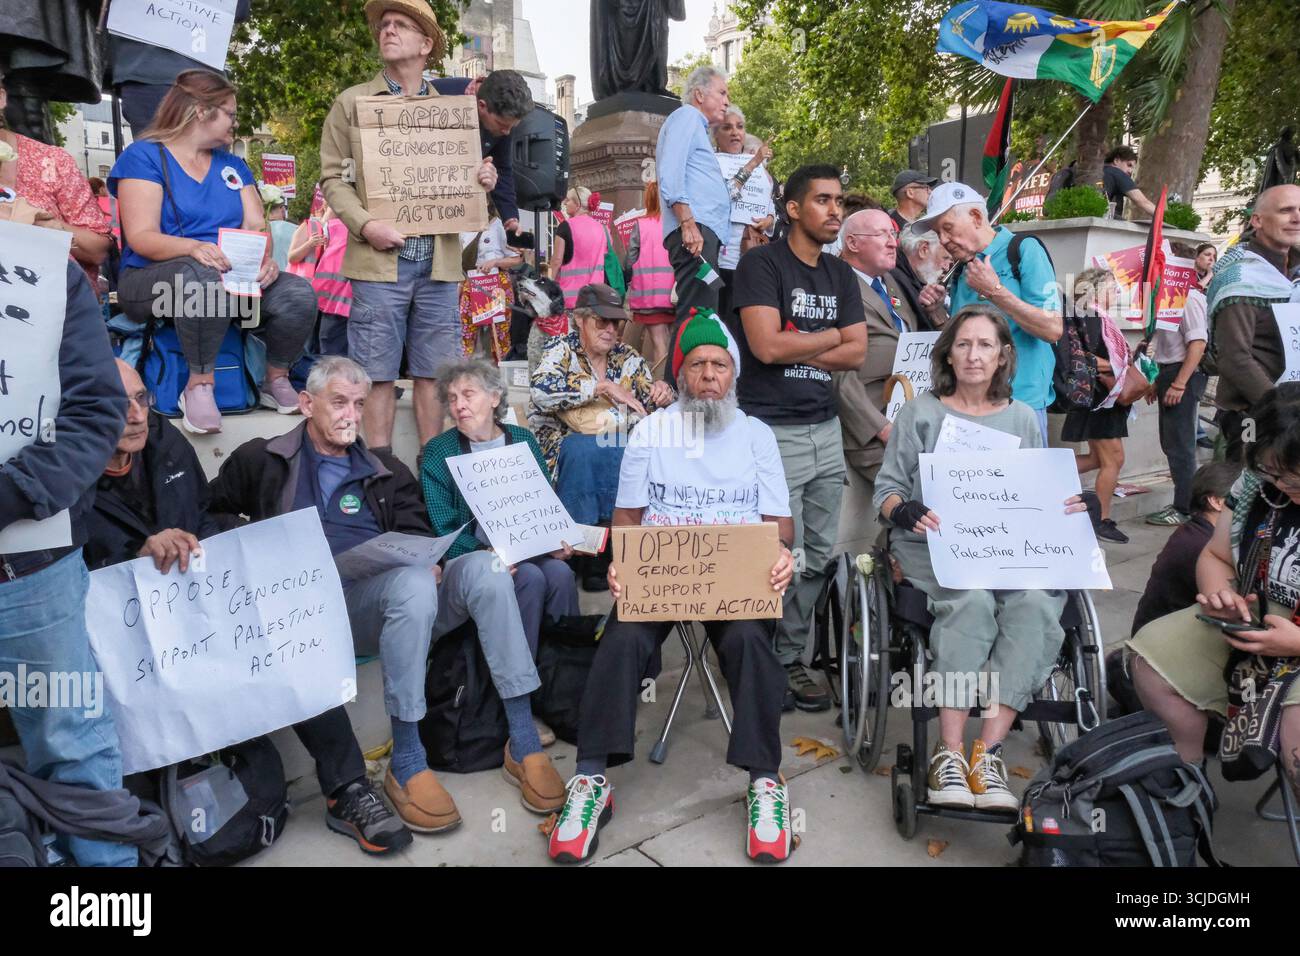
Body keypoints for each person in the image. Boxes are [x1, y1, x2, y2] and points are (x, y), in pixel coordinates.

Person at [209, 355, 566, 831]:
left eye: (358, 404)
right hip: (315, 611)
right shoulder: (264, 458)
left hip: (389, 602)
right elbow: (207, 512)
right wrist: (255, 544)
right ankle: (409, 761)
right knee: (413, 584)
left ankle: (521, 739)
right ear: (306, 403)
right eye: (339, 403)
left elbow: (420, 531)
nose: (350, 415)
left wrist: (433, 560)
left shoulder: (384, 467)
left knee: (486, 568)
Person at [547, 310, 797, 864]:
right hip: (665, 576)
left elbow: (781, 527)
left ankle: (764, 781)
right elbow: (629, 519)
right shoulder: (652, 431)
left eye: (720, 365)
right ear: (681, 374)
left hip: (733, 578)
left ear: (734, 375)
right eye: (698, 364)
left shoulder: (756, 436)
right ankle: (591, 781)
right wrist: (621, 564)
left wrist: (782, 556)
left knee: (752, 645)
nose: (709, 374)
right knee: (621, 642)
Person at [874, 305, 1089, 811]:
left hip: (1003, 546)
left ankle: (987, 752)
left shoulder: (1020, 418)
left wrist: (1077, 504)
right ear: (948, 352)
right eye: (964, 344)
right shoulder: (921, 412)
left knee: (1036, 606)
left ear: (1002, 357)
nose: (974, 355)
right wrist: (903, 510)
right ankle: (948, 753)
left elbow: (1038, 493)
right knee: (968, 602)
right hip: (933, 547)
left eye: (986, 345)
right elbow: (886, 490)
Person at [0, 248, 134, 867]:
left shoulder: (43, 271)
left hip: (27, 570)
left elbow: (95, 409)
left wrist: (11, 494)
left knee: (71, 744)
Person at [319, 0, 499, 450]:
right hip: (379, 264)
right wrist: (365, 226)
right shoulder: (352, 103)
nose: (388, 30)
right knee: (375, 373)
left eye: (400, 25)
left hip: (439, 266)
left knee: (435, 373)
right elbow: (332, 181)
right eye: (384, 25)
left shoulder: (455, 113)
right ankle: (379, 474)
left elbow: (464, 190)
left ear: (426, 44)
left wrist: (483, 182)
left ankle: (431, 467)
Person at [110, 70, 317, 435]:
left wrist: (266, 261)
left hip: (227, 275)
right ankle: (199, 385)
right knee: (203, 278)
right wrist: (194, 247)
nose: (236, 124)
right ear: (201, 112)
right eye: (230, 114)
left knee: (297, 292)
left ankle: (276, 377)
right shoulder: (144, 156)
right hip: (151, 279)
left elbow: (256, 225)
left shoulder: (232, 164)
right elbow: (141, 237)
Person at [731, 163, 867, 712]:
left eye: (839, 201)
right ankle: (754, 658)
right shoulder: (761, 265)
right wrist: (829, 336)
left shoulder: (840, 276)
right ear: (792, 208)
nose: (835, 210)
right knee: (777, 554)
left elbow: (856, 352)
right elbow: (764, 348)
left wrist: (802, 337)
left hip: (826, 429)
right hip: (771, 432)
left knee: (815, 558)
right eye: (823, 200)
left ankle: (788, 659)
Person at [1130, 384, 1300, 805]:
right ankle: (1189, 791)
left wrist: (1294, 643)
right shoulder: (1254, 485)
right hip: (1259, 617)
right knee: (1152, 662)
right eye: (1269, 472)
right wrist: (1222, 595)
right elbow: (1217, 555)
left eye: (1290, 475)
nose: (1278, 485)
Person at [420, 358, 579, 745]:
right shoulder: (439, 451)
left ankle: (562, 688)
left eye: (468, 395)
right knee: (530, 578)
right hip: (476, 557)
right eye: (452, 398)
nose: (459, 404)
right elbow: (442, 529)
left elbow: (543, 502)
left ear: (494, 398)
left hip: (524, 546)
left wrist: (556, 539)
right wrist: (486, 551)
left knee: (559, 573)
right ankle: (515, 701)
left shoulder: (522, 440)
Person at [529, 284, 671, 587]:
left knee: (627, 448)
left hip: (617, 443)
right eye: (601, 321)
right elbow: (541, 393)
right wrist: (600, 387)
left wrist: (663, 393)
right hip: (562, 446)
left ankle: (613, 546)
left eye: (615, 323)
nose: (610, 329)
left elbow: (647, 406)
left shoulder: (628, 357)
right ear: (580, 319)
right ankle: (587, 552)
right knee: (588, 448)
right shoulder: (561, 349)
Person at [914, 181, 1063, 446]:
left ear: (976, 217)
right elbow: (960, 342)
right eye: (938, 233)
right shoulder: (962, 269)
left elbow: (1052, 329)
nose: (944, 240)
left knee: (1023, 486)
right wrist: (937, 313)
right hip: (968, 405)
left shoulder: (1024, 250)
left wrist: (995, 291)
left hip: (1021, 404)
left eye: (947, 228)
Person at [834, 208, 943, 549]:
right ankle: (898, 565)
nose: (892, 242)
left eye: (892, 233)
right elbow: (837, 375)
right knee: (924, 497)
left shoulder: (892, 281)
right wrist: (880, 427)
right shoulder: (837, 284)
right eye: (881, 234)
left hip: (915, 413)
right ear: (851, 243)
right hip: (872, 423)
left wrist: (934, 310)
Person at [83, 360, 231, 571]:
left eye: (141, 398)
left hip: (190, 589)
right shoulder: (58, 483)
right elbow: (63, 581)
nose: (137, 416)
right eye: (118, 404)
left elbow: (202, 515)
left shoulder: (165, 441)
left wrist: (214, 569)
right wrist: (138, 557)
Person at [1207, 184, 1300, 462]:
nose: (1296, 217)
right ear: (1256, 221)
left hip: (1291, 416)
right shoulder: (1241, 277)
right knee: (1244, 497)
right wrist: (1284, 410)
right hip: (1253, 419)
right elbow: (1234, 359)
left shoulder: (1292, 272)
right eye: (1286, 210)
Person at [0, 69, 111, 276]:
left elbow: (97, 250)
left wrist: (40, 224)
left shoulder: (51, 161)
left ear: (1, 98)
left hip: (49, 295)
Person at [656, 65, 732, 347]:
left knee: (703, 310)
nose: (727, 101)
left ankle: (685, 385)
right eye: (722, 93)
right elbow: (671, 170)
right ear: (699, 94)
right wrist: (687, 223)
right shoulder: (687, 116)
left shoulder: (695, 127)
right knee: (695, 314)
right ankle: (678, 387)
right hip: (695, 232)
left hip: (702, 232)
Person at [1061, 267, 1136, 544]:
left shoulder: (1097, 317)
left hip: (1104, 399)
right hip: (1098, 400)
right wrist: (1120, 366)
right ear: (1096, 290)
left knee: (1101, 459)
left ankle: (1047, 473)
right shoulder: (1090, 316)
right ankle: (1100, 521)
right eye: (1112, 287)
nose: (1117, 292)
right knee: (1113, 459)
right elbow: (1082, 358)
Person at [107, 0, 252, 136]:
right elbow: (239, 10)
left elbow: (238, 10)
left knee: (159, 158)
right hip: (170, 75)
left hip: (145, 72)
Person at [1131, 461, 1239, 637]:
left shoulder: (1195, 531)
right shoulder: (1202, 545)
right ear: (1217, 501)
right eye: (1242, 498)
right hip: (1162, 644)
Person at [1145, 242, 1210, 526]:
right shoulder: (1172, 297)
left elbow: (1197, 343)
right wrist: (1157, 379)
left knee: (1180, 445)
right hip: (1170, 374)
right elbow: (1165, 341)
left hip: (1183, 375)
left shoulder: (1189, 298)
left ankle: (1185, 508)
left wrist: (1180, 383)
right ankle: (1184, 504)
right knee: (1172, 443)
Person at [430, 70, 535, 235]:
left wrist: (510, 217)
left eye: (512, 127)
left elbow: (502, 167)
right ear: (482, 106)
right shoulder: (436, 93)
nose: (507, 132)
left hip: (449, 216)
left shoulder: (504, 119)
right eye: (501, 124)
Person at [713, 105, 774, 321]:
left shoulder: (760, 170)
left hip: (752, 257)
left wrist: (768, 219)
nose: (735, 132)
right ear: (716, 135)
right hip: (722, 259)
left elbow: (770, 207)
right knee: (725, 318)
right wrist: (755, 162)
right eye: (727, 127)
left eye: (740, 127)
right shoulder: (711, 163)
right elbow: (726, 194)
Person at [289, 191, 353, 358]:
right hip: (307, 296)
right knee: (308, 344)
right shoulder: (311, 226)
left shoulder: (344, 230)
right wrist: (310, 244)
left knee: (325, 343)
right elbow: (292, 257)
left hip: (329, 299)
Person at [624, 179, 675, 374]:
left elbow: (630, 260)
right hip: (672, 296)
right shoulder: (676, 225)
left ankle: (661, 385)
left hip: (649, 297)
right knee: (670, 342)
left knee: (659, 344)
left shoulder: (641, 225)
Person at [459, 203, 521, 362]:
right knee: (465, 331)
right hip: (471, 281)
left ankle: (502, 371)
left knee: (501, 333)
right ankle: (462, 372)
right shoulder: (462, 227)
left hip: (497, 281)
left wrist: (495, 262)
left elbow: (517, 258)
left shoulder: (498, 225)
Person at [553, 185, 613, 311]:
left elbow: (557, 260)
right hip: (596, 296)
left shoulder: (565, 226)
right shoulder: (604, 230)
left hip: (571, 297)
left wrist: (550, 283)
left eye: (568, 200)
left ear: (578, 204)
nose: (565, 203)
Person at [892, 226, 952, 330]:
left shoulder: (908, 278)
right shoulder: (896, 280)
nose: (946, 267)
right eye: (945, 258)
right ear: (923, 249)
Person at [1103, 145, 1158, 221]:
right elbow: (1143, 202)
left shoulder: (1100, 171)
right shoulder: (1117, 173)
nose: (1130, 171)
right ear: (1116, 161)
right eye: (1129, 165)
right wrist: (1169, 217)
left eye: (1132, 168)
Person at [264, 188, 296, 272]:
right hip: (290, 280)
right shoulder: (297, 230)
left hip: (262, 280)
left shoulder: (256, 231)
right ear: (282, 209)